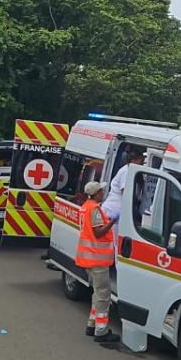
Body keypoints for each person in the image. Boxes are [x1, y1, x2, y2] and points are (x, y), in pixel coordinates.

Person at [77, 181, 118, 343]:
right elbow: (98, 232)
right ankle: (101, 331)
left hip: (89, 259)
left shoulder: (86, 206)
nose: (103, 192)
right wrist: (112, 222)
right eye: (101, 190)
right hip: (97, 259)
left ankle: (91, 325)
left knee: (97, 292)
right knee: (103, 295)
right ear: (95, 194)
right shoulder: (94, 209)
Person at [101, 146, 145, 221]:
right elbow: (124, 192)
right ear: (133, 160)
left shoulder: (132, 171)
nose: (141, 164)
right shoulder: (126, 171)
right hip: (113, 210)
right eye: (141, 161)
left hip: (118, 210)